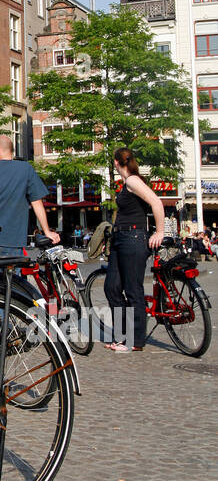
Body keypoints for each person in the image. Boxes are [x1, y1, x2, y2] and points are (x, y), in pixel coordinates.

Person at [104, 148, 164, 354]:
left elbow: (156, 202)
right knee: (112, 287)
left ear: (116, 162)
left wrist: (159, 231)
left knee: (132, 289)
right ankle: (122, 335)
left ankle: (134, 340)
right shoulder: (126, 183)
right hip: (121, 238)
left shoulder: (132, 181)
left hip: (134, 238)